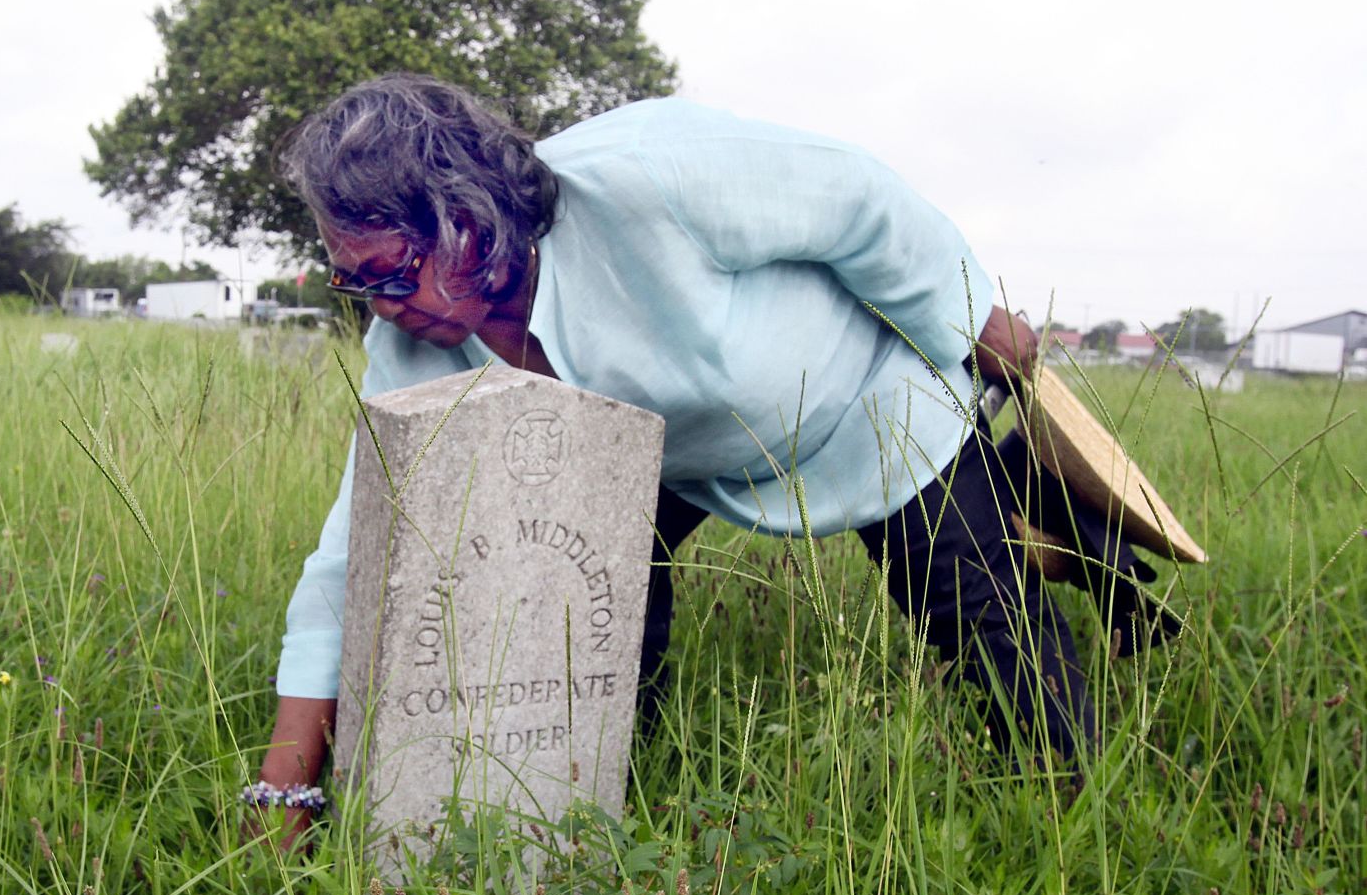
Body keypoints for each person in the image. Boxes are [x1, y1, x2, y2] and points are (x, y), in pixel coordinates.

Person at [253, 73, 1136, 829]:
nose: (378, 304)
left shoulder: (646, 181)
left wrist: (971, 318)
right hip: (675, 455)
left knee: (978, 614)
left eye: (390, 272)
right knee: (579, 590)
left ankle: (1080, 828)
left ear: (470, 223)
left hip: (863, 397)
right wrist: (284, 791)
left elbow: (859, 202)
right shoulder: (411, 346)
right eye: (350, 278)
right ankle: (590, 807)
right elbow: (353, 552)